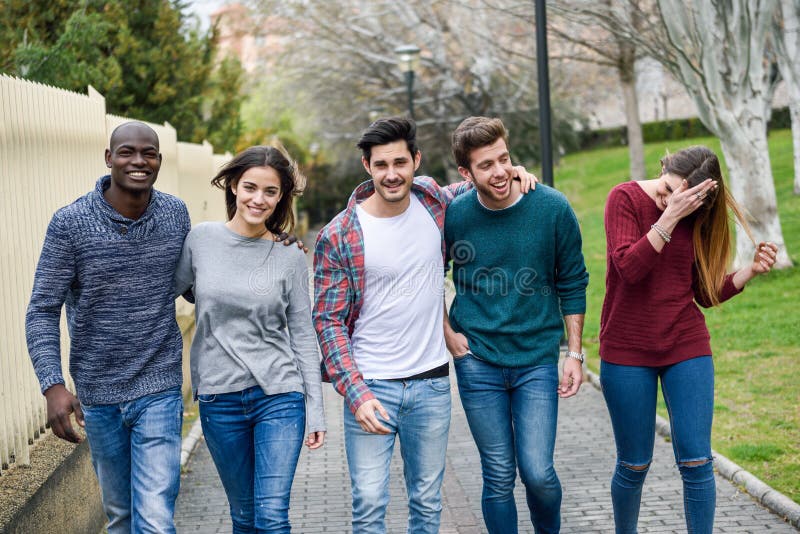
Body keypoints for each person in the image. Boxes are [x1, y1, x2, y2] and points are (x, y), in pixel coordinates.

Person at [313, 116, 534, 533]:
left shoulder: (433, 201)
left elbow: (474, 184)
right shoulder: (340, 234)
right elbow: (328, 322)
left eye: (400, 162)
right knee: (369, 503)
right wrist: (356, 393)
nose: (392, 174)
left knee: (428, 503)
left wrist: (512, 171)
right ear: (367, 166)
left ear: (416, 160)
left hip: (431, 384)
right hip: (371, 385)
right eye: (381, 165)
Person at [599, 145, 779, 534]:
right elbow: (629, 268)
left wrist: (749, 271)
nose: (668, 201)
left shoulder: (695, 214)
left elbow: (702, 292)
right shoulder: (623, 199)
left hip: (685, 344)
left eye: (680, 199)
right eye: (666, 190)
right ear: (663, 167)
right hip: (626, 349)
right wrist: (670, 216)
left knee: (697, 462)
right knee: (633, 464)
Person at [25, 121, 190, 533]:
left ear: (159, 160)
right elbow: (42, 309)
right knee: (121, 517)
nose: (139, 161)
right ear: (109, 158)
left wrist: (266, 246)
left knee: (155, 519)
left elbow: (196, 284)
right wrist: (52, 385)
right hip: (98, 395)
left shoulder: (175, 214)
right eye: (127, 152)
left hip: (159, 385)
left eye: (148, 153)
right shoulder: (71, 223)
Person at [442, 116, 589, 534]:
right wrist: (447, 333)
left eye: (504, 159)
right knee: (498, 474)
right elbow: (427, 272)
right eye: (486, 165)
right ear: (466, 174)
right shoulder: (454, 215)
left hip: (536, 360)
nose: (500, 171)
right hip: (477, 360)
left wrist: (574, 353)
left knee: (538, 472)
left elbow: (573, 280)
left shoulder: (551, 208)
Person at [174, 145, 325, 533]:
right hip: (219, 398)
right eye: (250, 187)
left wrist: (316, 409)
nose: (259, 199)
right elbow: (171, 292)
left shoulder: (290, 255)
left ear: (281, 196)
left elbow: (302, 334)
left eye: (270, 191)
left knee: (271, 517)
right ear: (234, 187)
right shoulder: (201, 240)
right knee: (243, 518)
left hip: (279, 396)